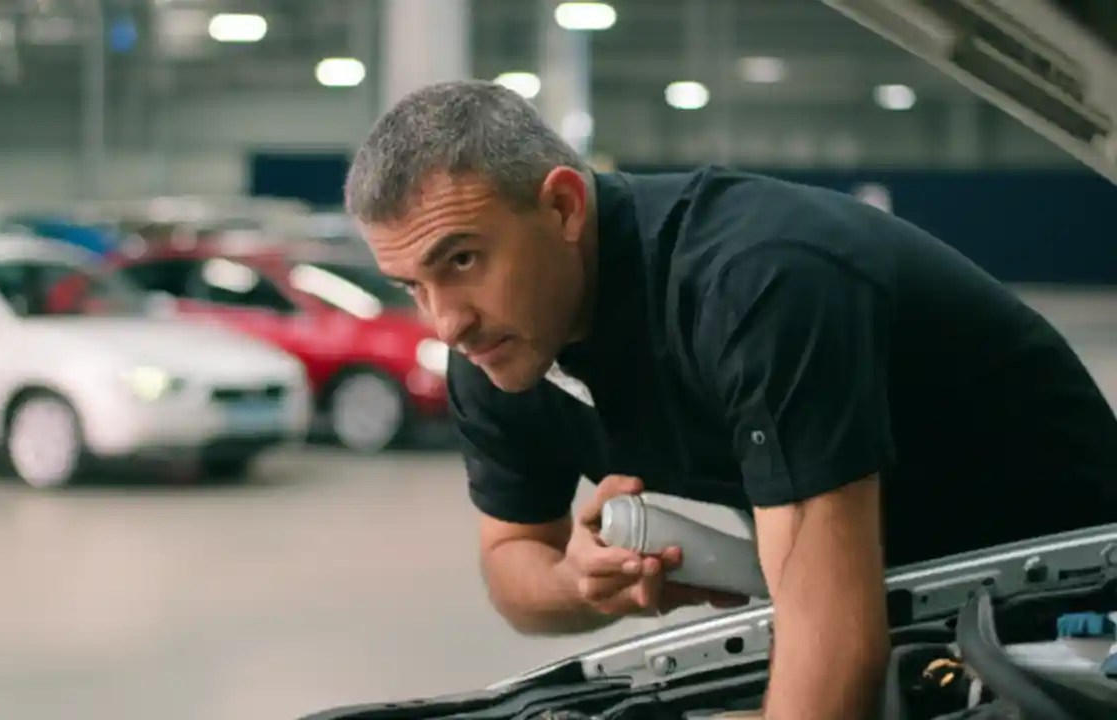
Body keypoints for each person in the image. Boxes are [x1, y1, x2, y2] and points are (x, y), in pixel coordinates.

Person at [341, 80, 1117, 719]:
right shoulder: (498, 348)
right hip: (903, 607)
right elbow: (515, 567)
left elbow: (837, 646)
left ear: (565, 207)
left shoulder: (755, 280)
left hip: (1072, 590)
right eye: (413, 285)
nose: (446, 320)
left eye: (464, 258)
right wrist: (581, 585)